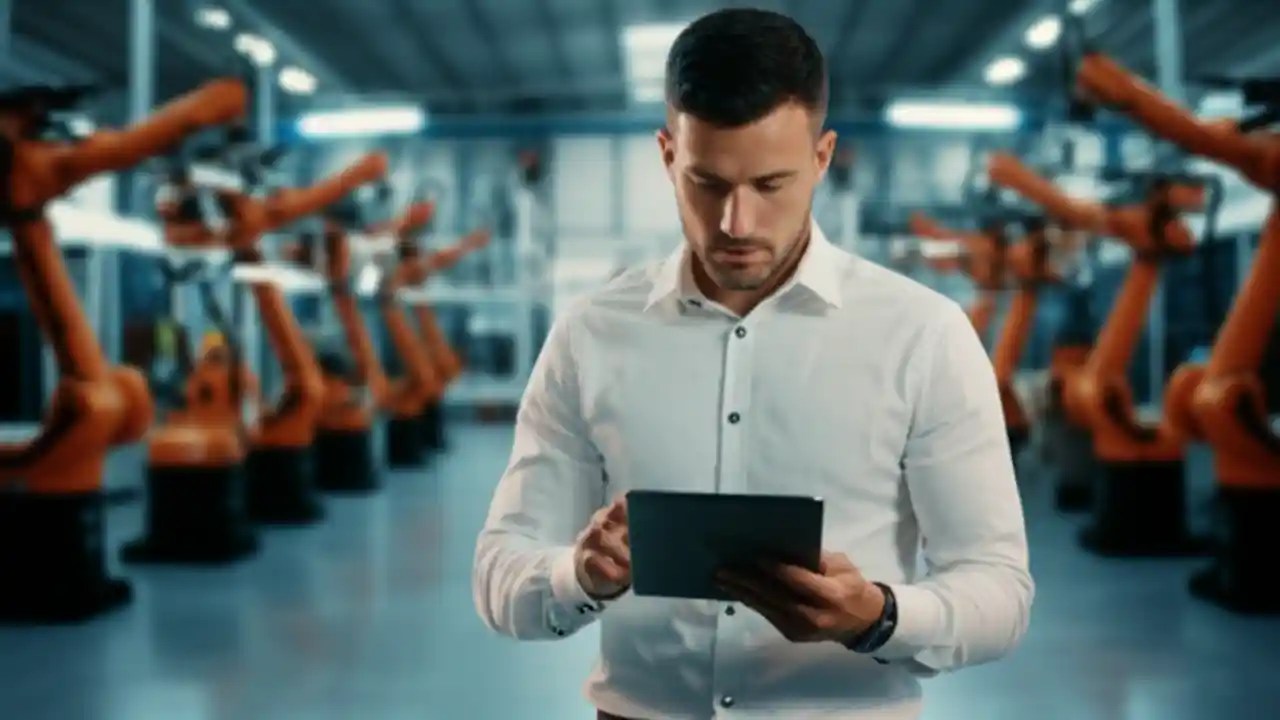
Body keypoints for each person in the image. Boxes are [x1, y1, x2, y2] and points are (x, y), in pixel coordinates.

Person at [472, 8, 1034, 719]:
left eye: (771, 184)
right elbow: (500, 571)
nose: (737, 223)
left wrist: (876, 617)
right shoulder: (590, 336)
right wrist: (575, 574)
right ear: (668, 156)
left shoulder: (923, 336)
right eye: (707, 184)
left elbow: (1000, 591)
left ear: (823, 158)